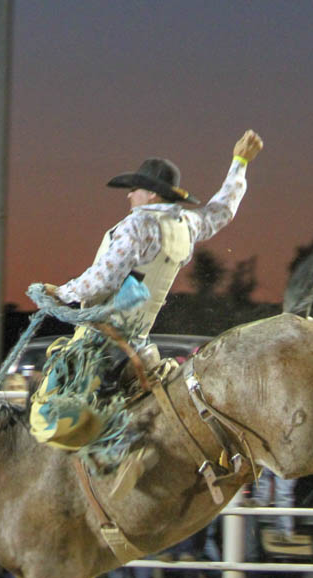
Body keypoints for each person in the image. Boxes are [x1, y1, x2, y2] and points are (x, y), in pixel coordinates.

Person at [31, 129, 263, 450]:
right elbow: (222, 210)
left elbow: (104, 279)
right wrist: (240, 163)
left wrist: (60, 293)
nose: (129, 195)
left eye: (135, 189)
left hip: (102, 341)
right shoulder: (185, 224)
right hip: (139, 343)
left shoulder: (137, 224)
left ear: (152, 194)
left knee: (46, 415)